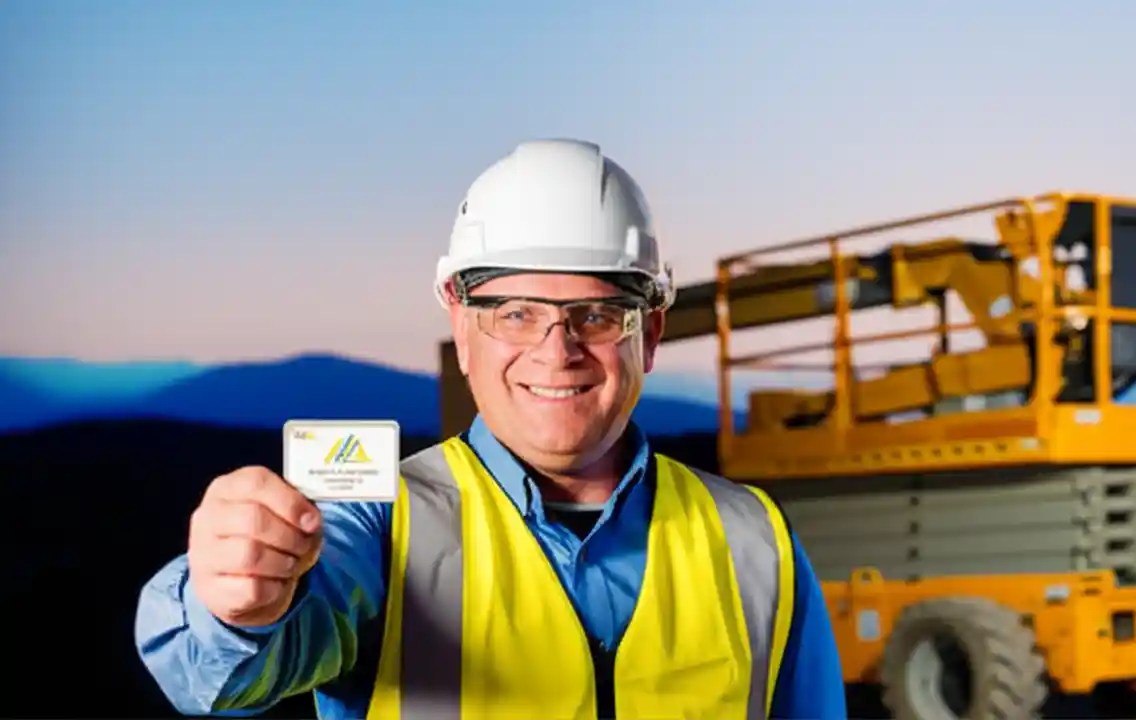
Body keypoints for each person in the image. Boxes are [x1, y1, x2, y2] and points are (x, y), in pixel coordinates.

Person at [134, 138, 848, 719]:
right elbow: (217, 681)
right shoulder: (378, 522)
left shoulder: (757, 541)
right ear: (463, 328)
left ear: (649, 333)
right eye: (515, 312)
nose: (556, 349)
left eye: (596, 316)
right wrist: (232, 603)